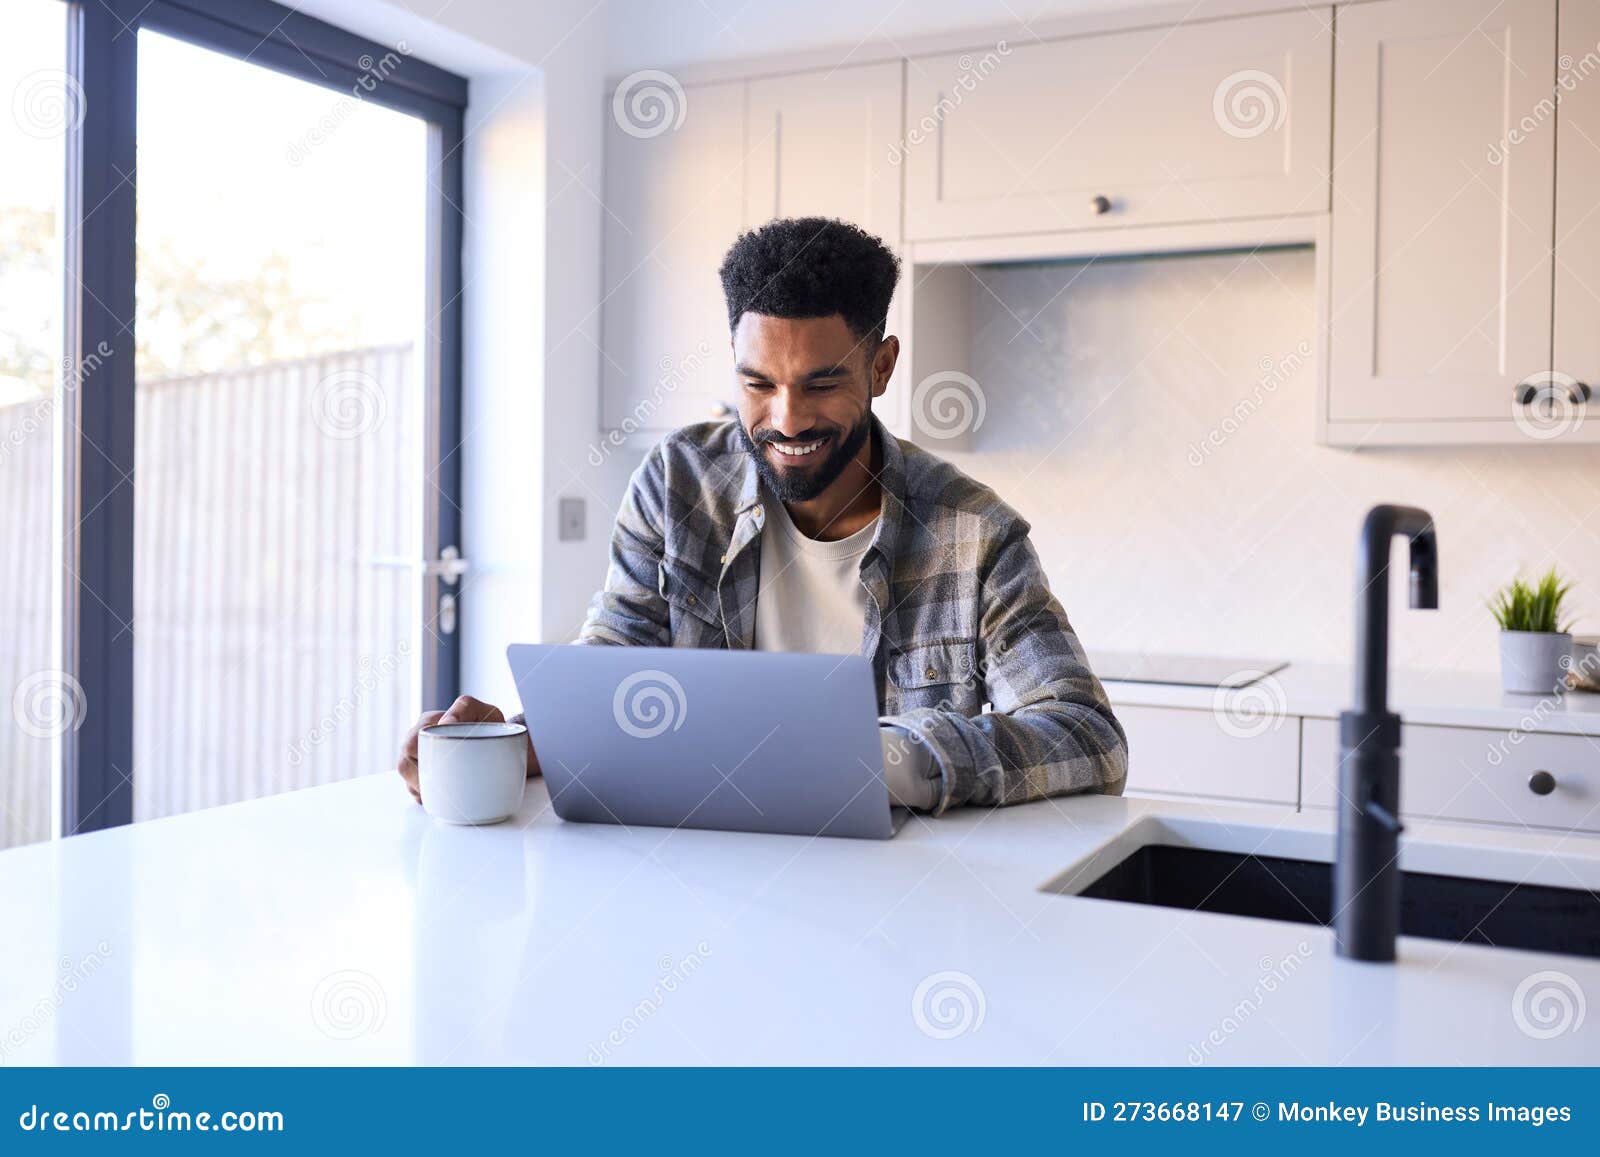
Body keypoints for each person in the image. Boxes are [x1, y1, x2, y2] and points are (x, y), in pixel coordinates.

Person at [398, 217, 1127, 814]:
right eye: (758, 382)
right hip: (702, 884)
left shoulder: (975, 535)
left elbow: (1089, 735)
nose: (786, 418)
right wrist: (513, 739)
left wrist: (898, 757)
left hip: (901, 904)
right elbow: (613, 670)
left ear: (880, 367)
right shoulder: (678, 483)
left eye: (822, 382)